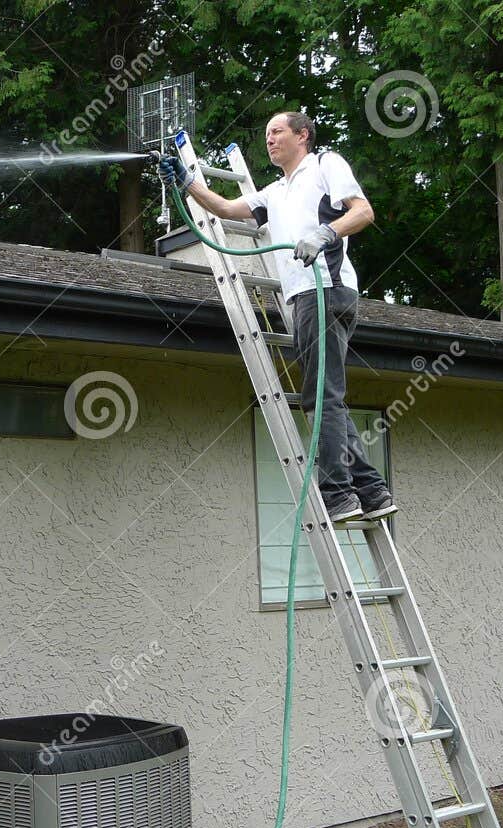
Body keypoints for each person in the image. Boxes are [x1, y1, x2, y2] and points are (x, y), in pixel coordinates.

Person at [159, 112, 395, 523]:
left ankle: (338, 493)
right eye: (266, 135)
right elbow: (227, 208)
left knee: (322, 398)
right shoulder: (275, 191)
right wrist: (185, 181)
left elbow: (363, 212)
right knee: (327, 395)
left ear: (302, 135)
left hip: (325, 290)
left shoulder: (325, 165)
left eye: (277, 132)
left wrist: (326, 234)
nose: (269, 140)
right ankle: (372, 491)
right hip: (305, 297)